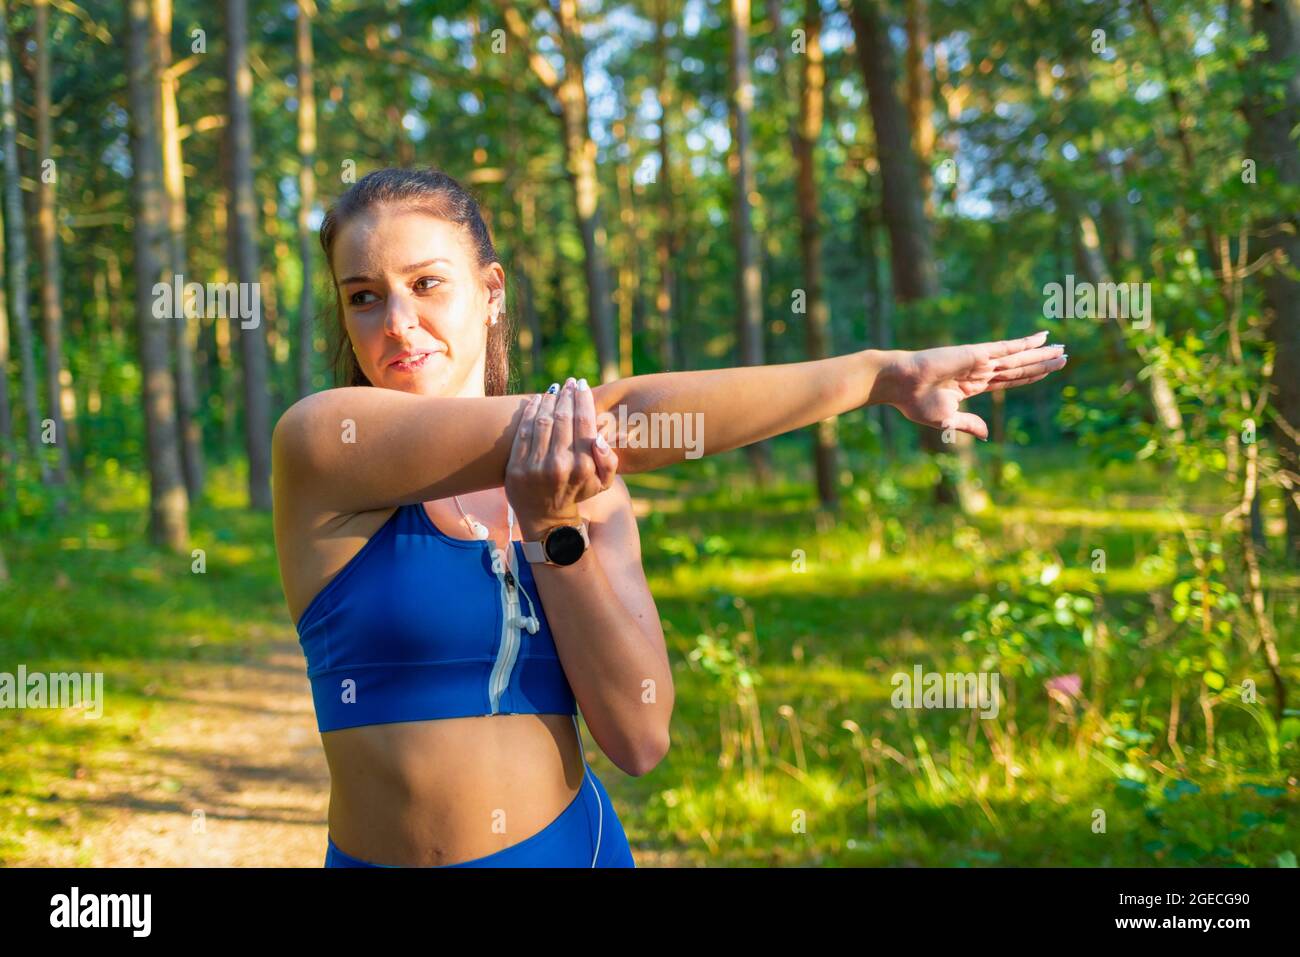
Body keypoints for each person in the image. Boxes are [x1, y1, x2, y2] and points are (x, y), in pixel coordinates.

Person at [270, 166, 1067, 867]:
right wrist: (877, 375)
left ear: (491, 291)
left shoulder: (593, 487)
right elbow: (617, 415)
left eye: (426, 283)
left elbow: (640, 737)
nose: (398, 322)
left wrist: (555, 533)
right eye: (364, 298)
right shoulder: (323, 445)